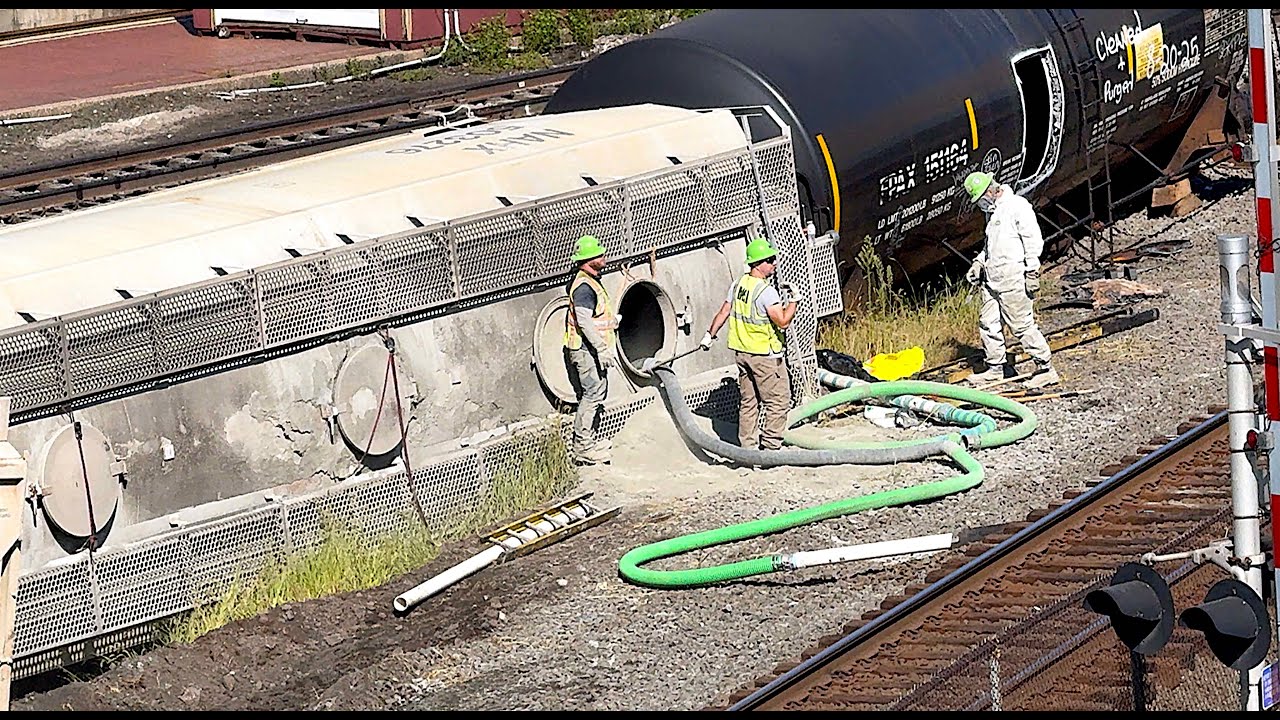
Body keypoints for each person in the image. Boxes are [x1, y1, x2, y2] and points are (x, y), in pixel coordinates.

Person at [961, 171, 1059, 390]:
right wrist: (979, 262)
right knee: (988, 324)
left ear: (988, 193)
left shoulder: (1017, 206)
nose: (979, 206)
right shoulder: (992, 214)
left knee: (1022, 326)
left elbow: (1033, 241)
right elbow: (991, 246)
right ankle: (995, 369)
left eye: (979, 200)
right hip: (992, 279)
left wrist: (1032, 272)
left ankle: (1046, 368)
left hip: (1014, 278)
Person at [701, 236, 799, 451]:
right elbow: (782, 321)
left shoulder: (738, 285)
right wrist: (794, 300)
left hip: (742, 354)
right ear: (758, 263)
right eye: (770, 259)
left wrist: (710, 335)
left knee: (749, 402)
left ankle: (748, 448)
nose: (774, 263)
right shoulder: (766, 292)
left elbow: (724, 311)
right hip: (764, 356)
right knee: (778, 401)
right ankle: (771, 447)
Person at [564, 234, 619, 466]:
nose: (603, 256)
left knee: (597, 392)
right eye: (599, 254)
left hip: (591, 349)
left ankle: (589, 441)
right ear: (588, 260)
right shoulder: (584, 287)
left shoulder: (590, 280)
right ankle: (582, 447)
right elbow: (585, 322)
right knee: (592, 394)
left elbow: (595, 317)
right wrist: (601, 349)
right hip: (585, 350)